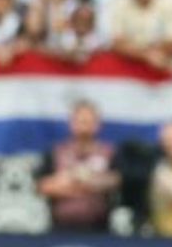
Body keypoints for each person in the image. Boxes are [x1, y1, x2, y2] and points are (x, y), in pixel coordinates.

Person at [36, 100, 120, 234]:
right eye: (81, 121)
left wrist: (89, 182)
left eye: (89, 121)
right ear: (71, 123)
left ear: (98, 124)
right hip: (60, 229)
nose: (85, 126)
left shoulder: (110, 153)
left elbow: (117, 181)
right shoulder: (55, 152)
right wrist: (76, 186)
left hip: (100, 229)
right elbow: (42, 185)